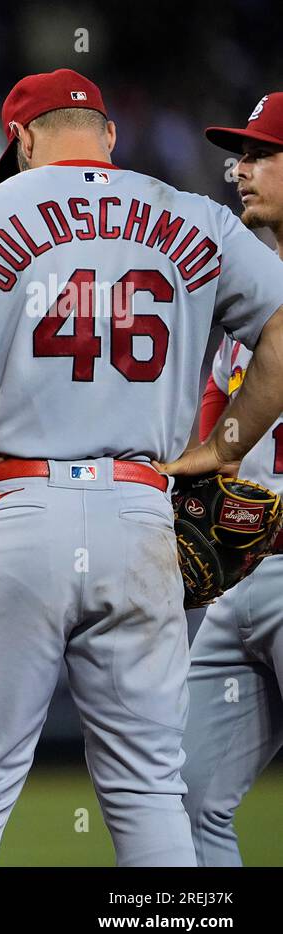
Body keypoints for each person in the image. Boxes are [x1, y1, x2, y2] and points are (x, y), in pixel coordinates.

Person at [0, 70, 283, 865]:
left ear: (20, 140)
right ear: (110, 134)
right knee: (152, 790)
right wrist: (222, 449)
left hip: (17, 507)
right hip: (139, 513)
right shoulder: (196, 217)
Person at [182, 92, 283, 865]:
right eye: (237, 157)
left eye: (258, 155)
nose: (238, 172)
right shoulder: (247, 307)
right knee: (183, 800)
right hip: (238, 582)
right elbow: (208, 449)